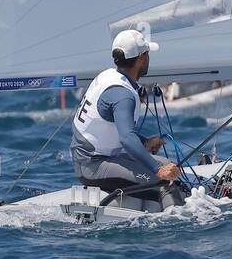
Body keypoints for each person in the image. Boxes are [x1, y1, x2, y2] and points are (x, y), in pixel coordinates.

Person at [70, 28, 186, 209]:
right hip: (93, 166)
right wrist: (157, 170)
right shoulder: (122, 95)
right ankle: (181, 231)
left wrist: (145, 142)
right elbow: (126, 138)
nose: (148, 59)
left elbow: (111, 128)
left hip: (95, 159)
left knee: (170, 166)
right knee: (167, 186)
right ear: (141, 58)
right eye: (147, 54)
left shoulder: (108, 76)